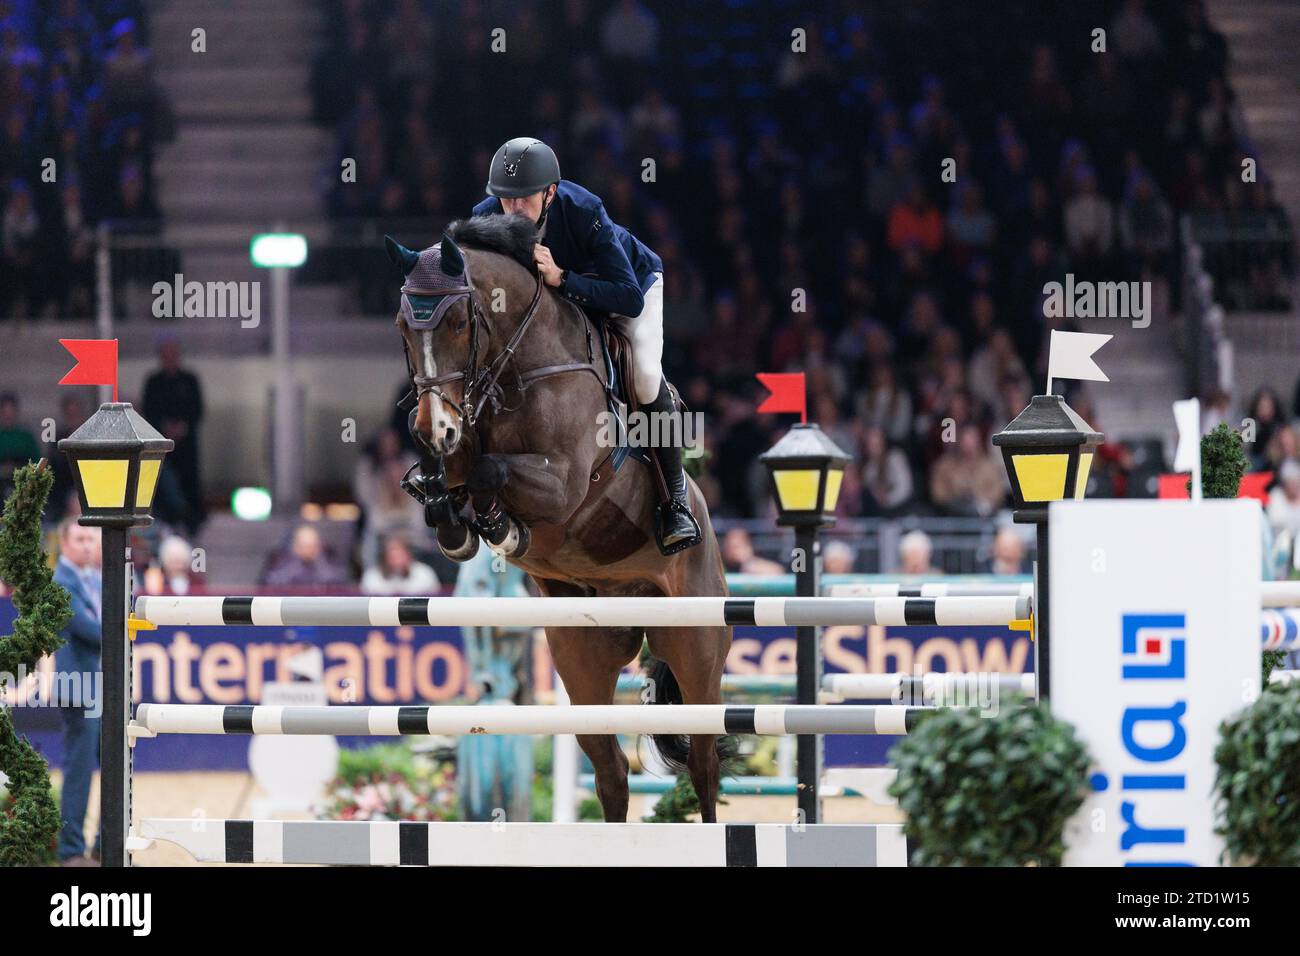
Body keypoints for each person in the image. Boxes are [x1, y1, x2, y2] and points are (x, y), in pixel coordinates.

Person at [471, 137, 700, 554]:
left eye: (524, 200)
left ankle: (676, 503)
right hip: (561, 307)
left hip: (629, 290)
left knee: (647, 379)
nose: (513, 210)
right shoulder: (487, 219)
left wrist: (562, 278)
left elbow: (627, 296)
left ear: (550, 192)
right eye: (506, 200)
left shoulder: (584, 210)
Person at [52, 519, 102, 866]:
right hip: (79, 686)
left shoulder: (98, 579)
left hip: (103, 685)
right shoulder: (60, 582)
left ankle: (105, 843)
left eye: (91, 539)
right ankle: (71, 851)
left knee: (117, 765)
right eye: (80, 538)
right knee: (79, 769)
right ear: (64, 543)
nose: (87, 545)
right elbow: (93, 631)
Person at [142, 338, 205, 534]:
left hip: (186, 445)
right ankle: (172, 517)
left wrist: (182, 427)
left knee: (188, 483)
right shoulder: (153, 381)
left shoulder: (190, 380)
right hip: (162, 445)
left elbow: (198, 410)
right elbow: (149, 410)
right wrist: (164, 427)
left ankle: (190, 519)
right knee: (164, 480)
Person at [262, 525, 349, 588]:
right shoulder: (282, 562)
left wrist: (319, 563)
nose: (308, 550)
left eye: (312, 546)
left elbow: (339, 581)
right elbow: (271, 581)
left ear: (319, 546)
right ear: (295, 546)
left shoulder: (328, 561)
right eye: (304, 546)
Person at [361, 535, 440, 595]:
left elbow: (434, 600)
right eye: (392, 557)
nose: (397, 561)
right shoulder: (372, 576)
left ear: (409, 555)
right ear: (384, 558)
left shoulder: (424, 573)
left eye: (400, 556)